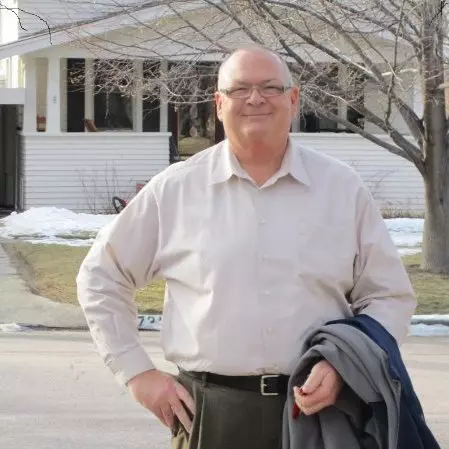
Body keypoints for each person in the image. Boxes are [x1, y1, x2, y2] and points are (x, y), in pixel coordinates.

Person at [77, 46, 416, 449]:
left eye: (270, 87)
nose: (255, 99)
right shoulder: (176, 190)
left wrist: (344, 366)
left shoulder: (342, 189)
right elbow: (101, 276)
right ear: (219, 104)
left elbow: (389, 297)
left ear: (293, 100)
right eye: (239, 89)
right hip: (211, 416)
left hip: (324, 415)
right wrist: (137, 374)